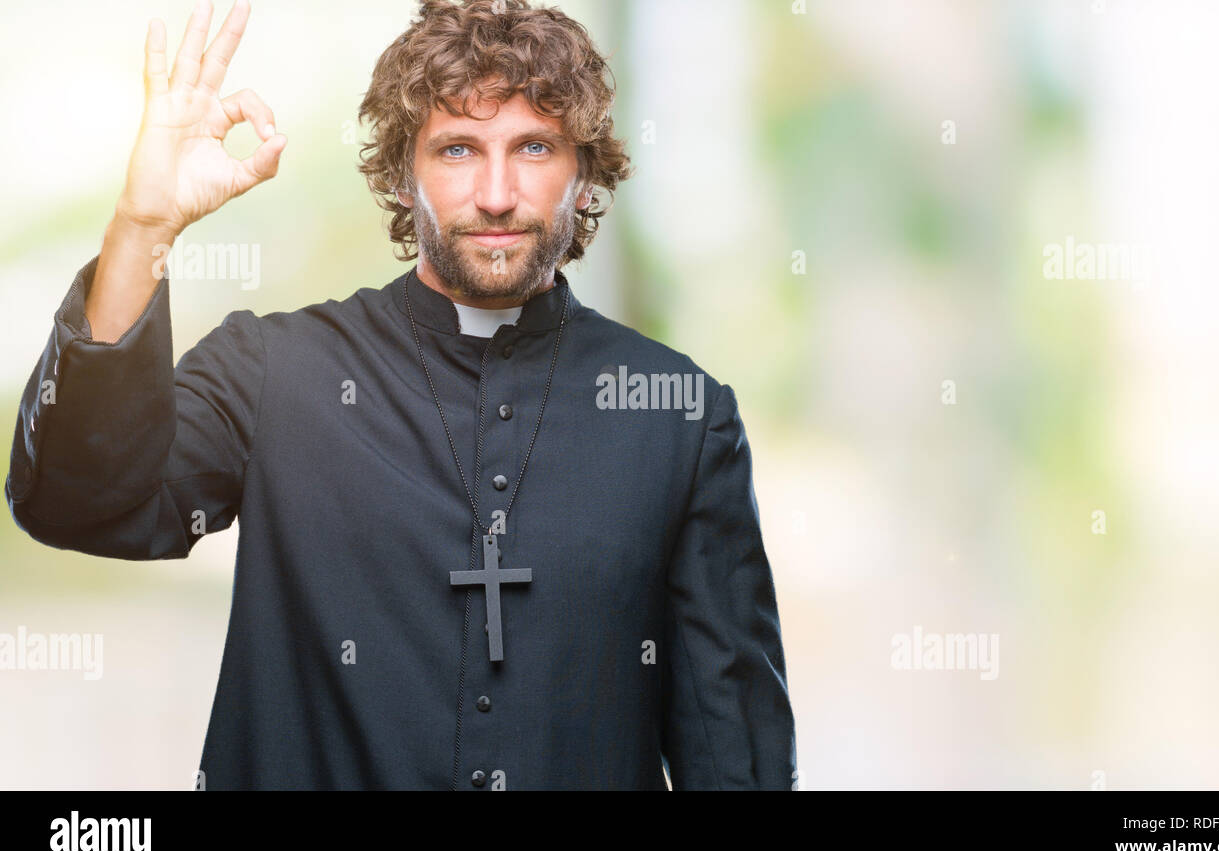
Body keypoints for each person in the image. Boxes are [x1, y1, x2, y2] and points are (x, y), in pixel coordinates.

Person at [6, 0, 796, 790]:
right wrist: (144, 225)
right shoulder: (273, 371)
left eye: (533, 147)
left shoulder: (677, 413)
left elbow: (735, 755)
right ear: (400, 169)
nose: (495, 193)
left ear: (583, 170)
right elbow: (80, 504)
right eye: (457, 148)